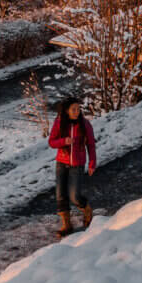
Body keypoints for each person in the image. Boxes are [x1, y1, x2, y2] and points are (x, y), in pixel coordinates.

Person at [47, 97, 97, 234]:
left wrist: (92, 163)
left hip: (77, 164)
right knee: (60, 195)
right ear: (66, 111)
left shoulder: (85, 124)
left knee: (74, 196)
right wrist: (64, 141)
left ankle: (86, 209)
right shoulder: (59, 122)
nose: (77, 112)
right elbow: (51, 142)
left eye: (78, 109)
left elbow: (91, 145)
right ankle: (66, 225)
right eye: (73, 109)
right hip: (61, 163)